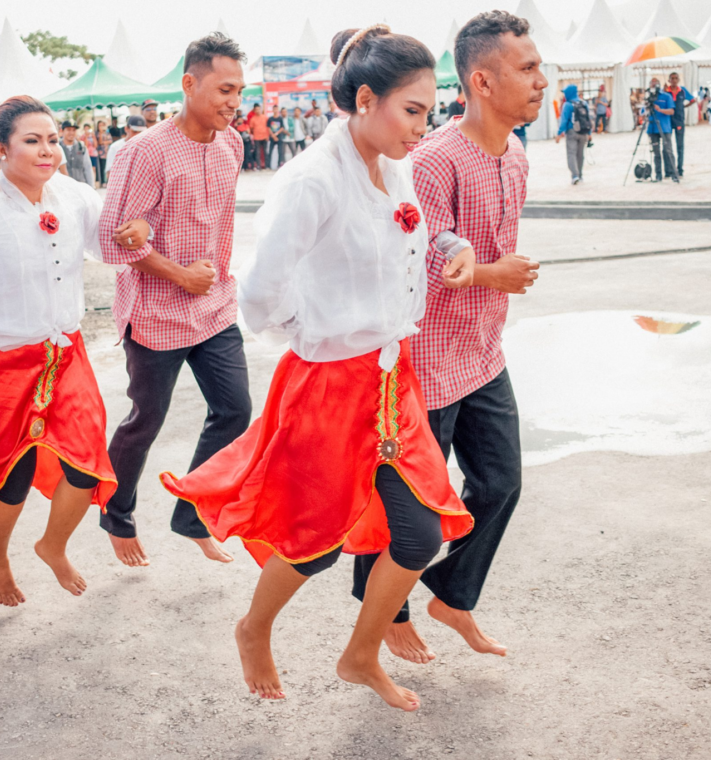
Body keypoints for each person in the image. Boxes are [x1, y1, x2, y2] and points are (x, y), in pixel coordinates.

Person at [164, 25, 476, 711]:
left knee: (421, 532)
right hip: (329, 384)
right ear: (365, 98)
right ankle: (254, 628)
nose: (423, 128)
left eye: (430, 110)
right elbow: (257, 295)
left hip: (393, 378)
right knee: (313, 544)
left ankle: (360, 654)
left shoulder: (395, 166)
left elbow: (411, 231)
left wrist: (449, 246)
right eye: (413, 110)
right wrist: (314, 334)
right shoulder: (310, 180)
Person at [351, 9, 545, 666]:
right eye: (528, 68)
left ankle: (451, 595)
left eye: (538, 65)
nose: (542, 80)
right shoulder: (433, 160)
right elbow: (425, 251)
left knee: (501, 482)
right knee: (411, 506)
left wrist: (494, 278)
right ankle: (387, 611)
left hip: (483, 352)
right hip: (425, 364)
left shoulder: (516, 153)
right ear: (483, 83)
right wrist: (494, 272)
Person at [0, 96, 147, 606]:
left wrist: (137, 230)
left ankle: (51, 544)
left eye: (54, 140)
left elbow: (111, 245)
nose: (47, 152)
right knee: (8, 476)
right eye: (32, 141)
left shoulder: (73, 195)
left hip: (64, 353)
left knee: (88, 463)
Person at [98, 32, 250, 567]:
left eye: (239, 90)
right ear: (190, 83)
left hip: (214, 309)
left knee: (235, 411)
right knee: (147, 419)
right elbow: (113, 236)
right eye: (224, 89)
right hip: (157, 314)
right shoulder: (146, 151)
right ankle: (116, 513)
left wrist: (205, 281)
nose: (234, 101)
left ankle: (192, 515)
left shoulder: (232, 144)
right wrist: (179, 275)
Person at [554, 84, 591, 185]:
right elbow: (588, 119)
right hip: (583, 132)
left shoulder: (568, 104)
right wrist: (589, 133)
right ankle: (580, 175)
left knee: (571, 154)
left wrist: (559, 133)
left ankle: (575, 176)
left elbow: (564, 121)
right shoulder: (584, 103)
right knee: (580, 155)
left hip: (572, 132)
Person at [643, 77, 678, 182]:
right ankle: (658, 175)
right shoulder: (648, 98)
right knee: (656, 153)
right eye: (651, 83)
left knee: (668, 151)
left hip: (664, 128)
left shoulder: (666, 96)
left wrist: (660, 110)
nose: (653, 85)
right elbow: (643, 112)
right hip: (652, 128)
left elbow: (672, 111)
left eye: (655, 83)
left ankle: (673, 174)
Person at [664, 72, 695, 177]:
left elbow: (693, 100)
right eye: (672, 78)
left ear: (678, 80)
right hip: (667, 121)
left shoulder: (682, 90)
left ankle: (680, 169)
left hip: (679, 120)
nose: (674, 80)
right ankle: (669, 170)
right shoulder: (665, 91)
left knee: (680, 146)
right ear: (669, 80)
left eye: (676, 78)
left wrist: (683, 107)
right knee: (667, 146)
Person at [59, 121, 94, 186]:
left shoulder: (81, 146)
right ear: (62, 131)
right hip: (63, 188)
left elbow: (87, 168)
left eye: (74, 130)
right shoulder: (57, 147)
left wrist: (91, 187)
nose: (71, 133)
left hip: (81, 186)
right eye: (68, 130)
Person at [250, 103, 271, 167]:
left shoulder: (265, 117)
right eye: (256, 109)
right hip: (257, 138)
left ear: (261, 109)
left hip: (265, 137)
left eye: (259, 109)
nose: (257, 110)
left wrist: (267, 136)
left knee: (265, 152)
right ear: (254, 110)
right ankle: (258, 166)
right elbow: (251, 129)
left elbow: (268, 127)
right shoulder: (253, 119)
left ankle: (267, 166)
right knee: (257, 152)